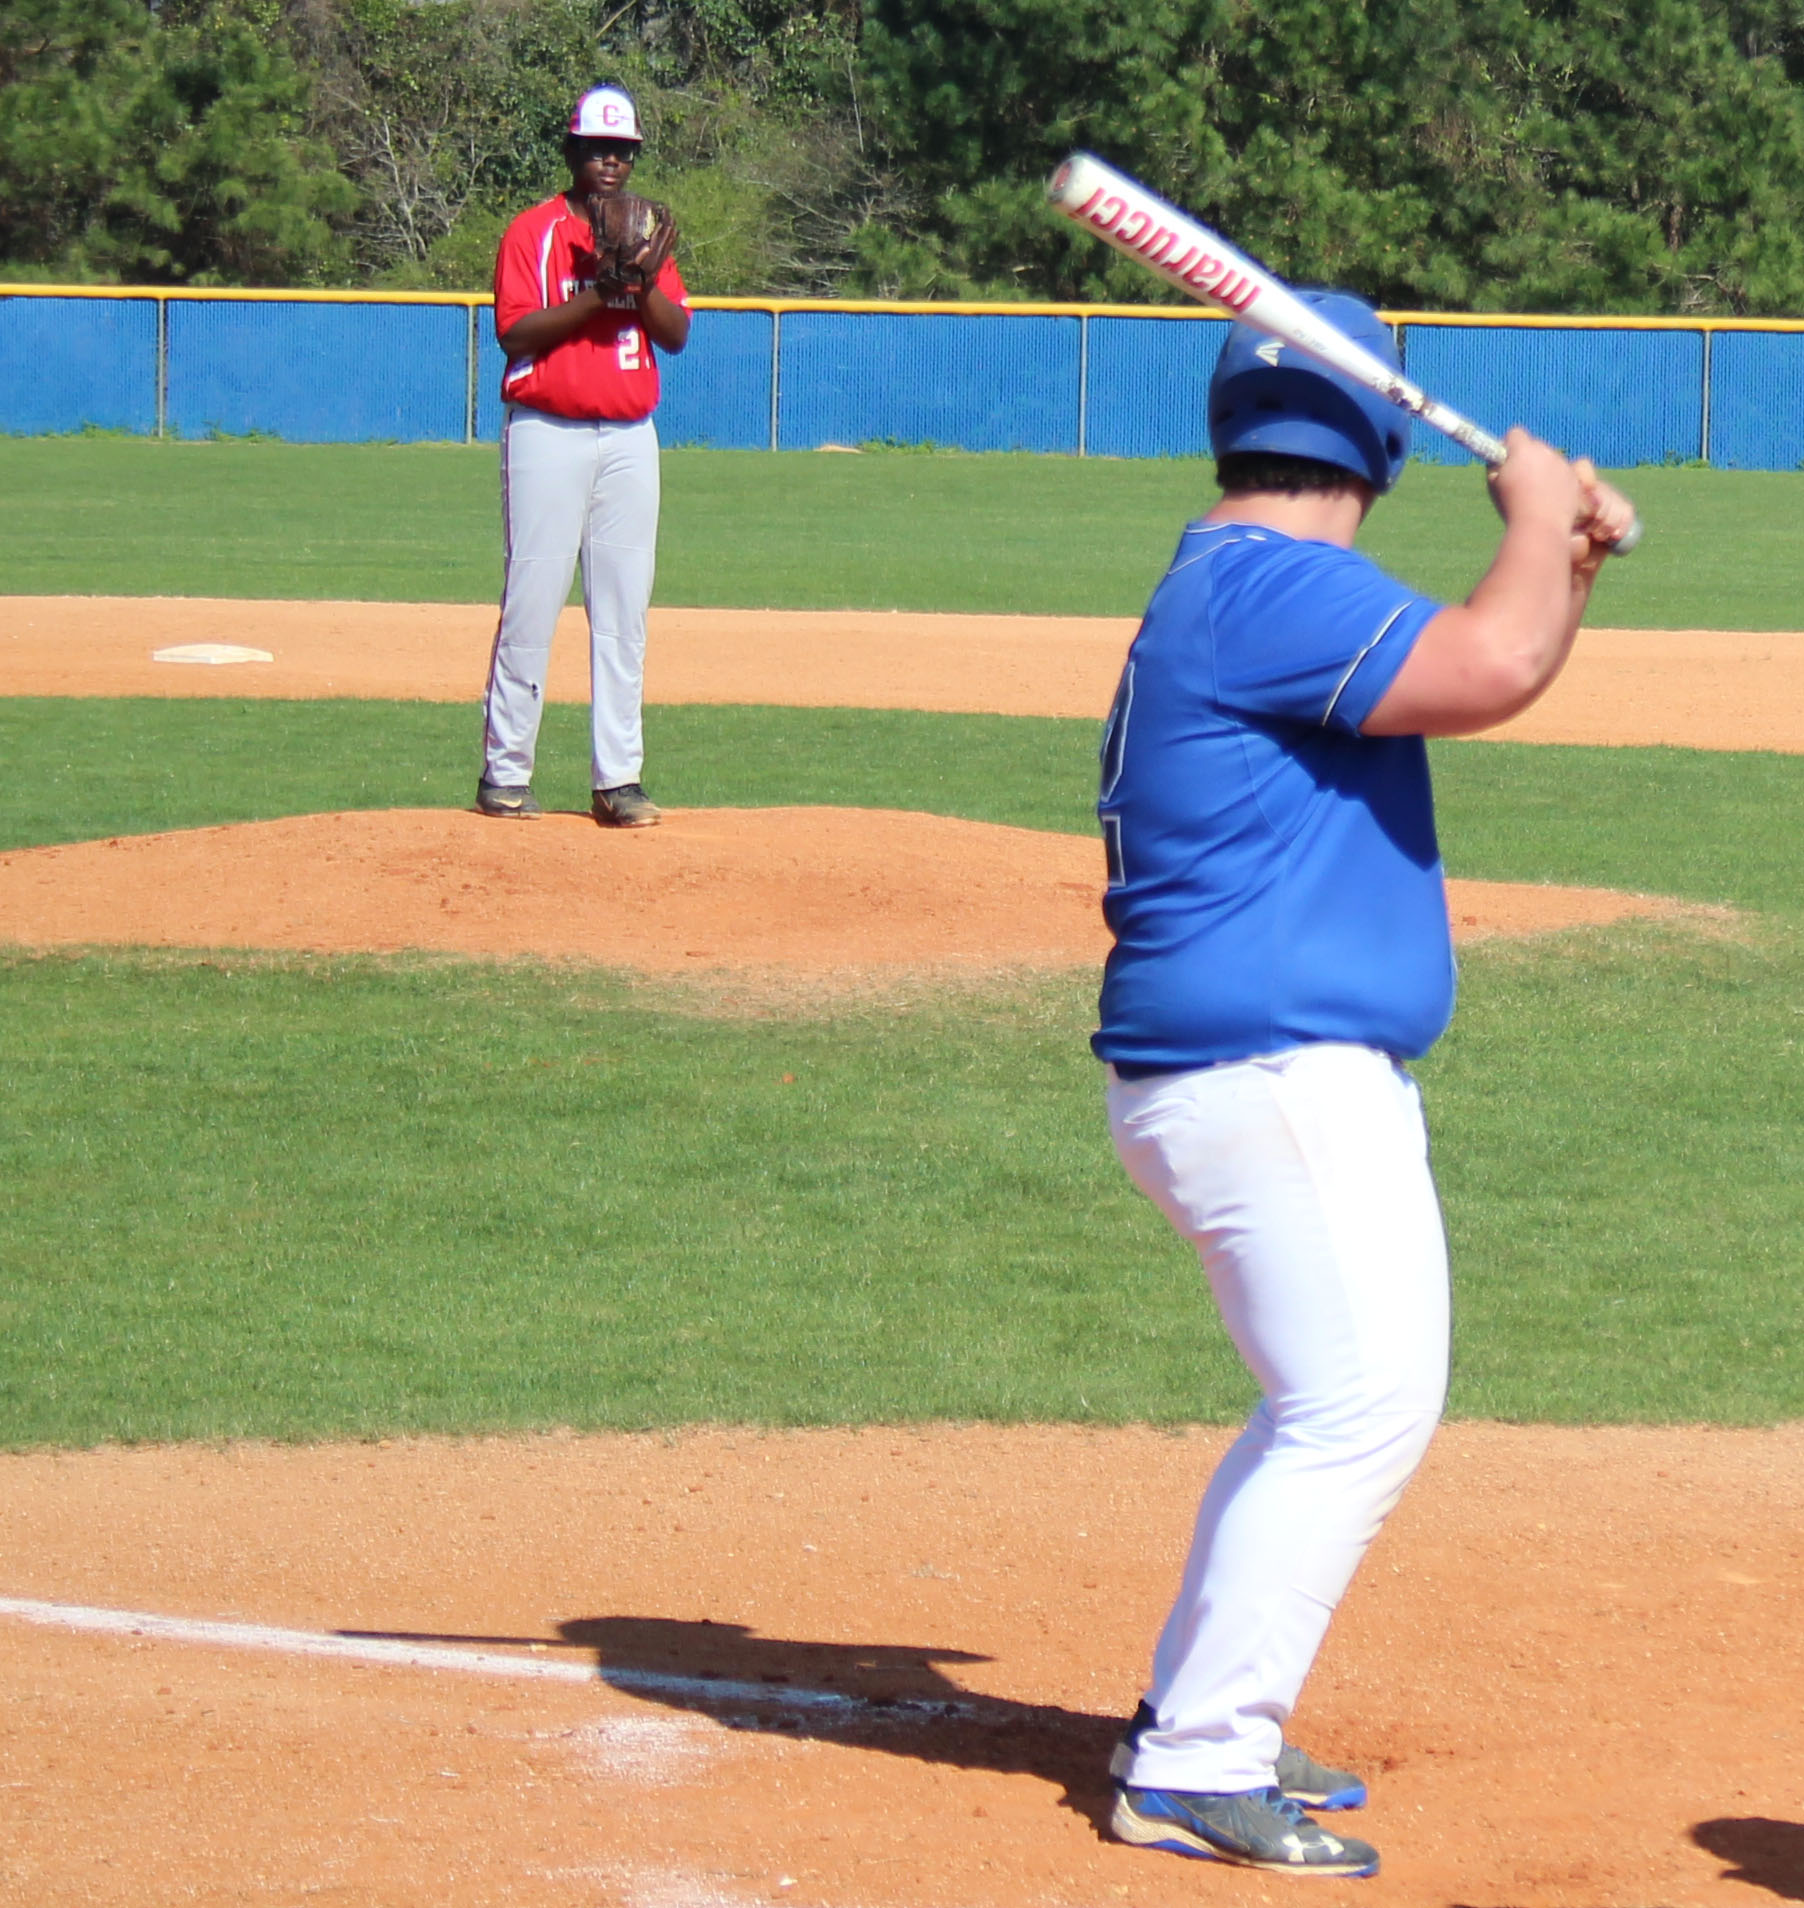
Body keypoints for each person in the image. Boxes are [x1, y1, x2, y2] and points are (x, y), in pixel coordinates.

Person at [1093, 294, 1633, 1878]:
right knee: (1358, 1407)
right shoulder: (1274, 591)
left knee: (1326, 1407)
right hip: (1266, 1070)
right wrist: (1537, 518)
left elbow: (1498, 647)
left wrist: (1566, 559)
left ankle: (1198, 1719)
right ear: (1378, 440)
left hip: (1249, 1071)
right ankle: (1196, 1758)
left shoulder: (1239, 585)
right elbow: (1487, 662)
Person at [477, 83, 691, 828]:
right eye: (597, 147)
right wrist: (600, 295)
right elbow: (516, 335)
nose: (609, 160)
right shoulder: (532, 232)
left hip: (632, 436)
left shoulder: (646, 228)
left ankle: (618, 780)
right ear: (571, 151)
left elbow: (674, 333)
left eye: (622, 149)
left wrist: (637, 279)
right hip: (547, 430)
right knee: (533, 602)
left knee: (623, 611)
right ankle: (504, 774)